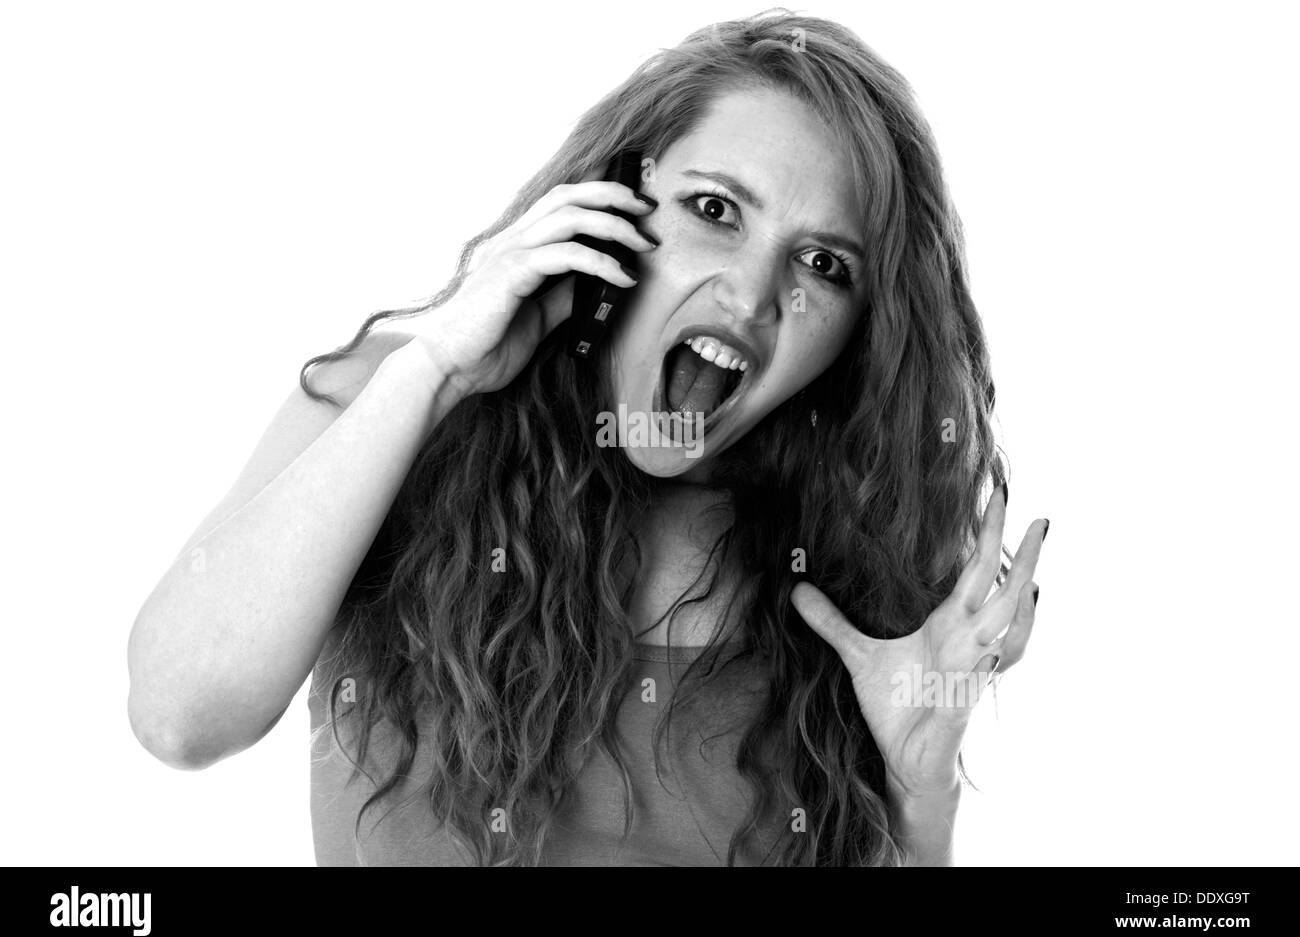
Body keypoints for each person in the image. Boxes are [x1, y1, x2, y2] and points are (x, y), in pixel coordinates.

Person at [127, 9, 1048, 866]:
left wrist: (921, 795)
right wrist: (438, 368)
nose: (751, 293)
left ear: (854, 335)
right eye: (716, 210)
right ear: (612, 206)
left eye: (822, 264)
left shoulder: (847, 583)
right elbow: (180, 716)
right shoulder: (399, 406)